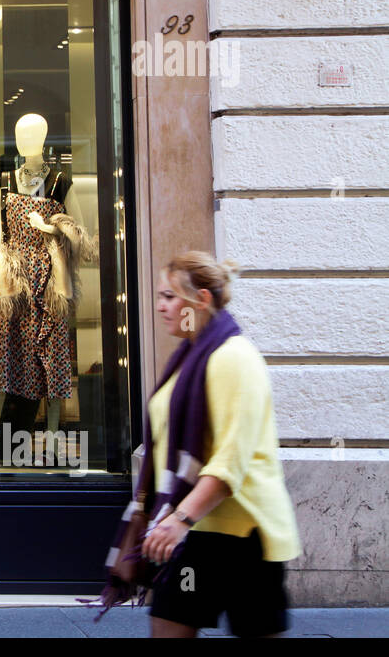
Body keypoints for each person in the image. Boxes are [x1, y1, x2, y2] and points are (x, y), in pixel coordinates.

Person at [98, 252, 301, 637]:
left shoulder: (233, 357)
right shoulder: (189, 357)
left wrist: (178, 519)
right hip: (193, 535)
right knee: (169, 626)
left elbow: (230, 462)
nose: (160, 306)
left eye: (170, 297)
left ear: (202, 300)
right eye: (159, 296)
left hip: (243, 537)